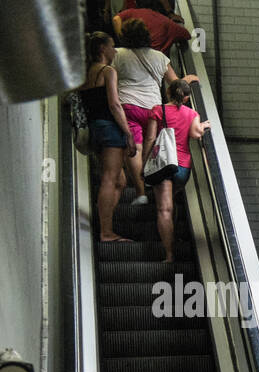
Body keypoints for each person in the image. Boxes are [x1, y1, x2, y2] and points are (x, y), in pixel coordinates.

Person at [113, 17, 197, 204]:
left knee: (134, 148)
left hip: (128, 107)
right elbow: (175, 83)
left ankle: (141, 192)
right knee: (153, 147)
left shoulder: (117, 54)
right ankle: (154, 181)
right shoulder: (160, 57)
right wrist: (188, 80)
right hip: (154, 109)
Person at [141, 79, 209, 262]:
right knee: (171, 202)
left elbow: (149, 138)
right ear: (186, 98)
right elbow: (195, 134)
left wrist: (144, 161)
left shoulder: (158, 110)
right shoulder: (192, 113)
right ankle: (173, 238)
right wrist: (203, 126)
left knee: (164, 209)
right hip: (183, 168)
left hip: (163, 164)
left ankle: (169, 254)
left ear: (168, 93)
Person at [78, 31, 137, 242]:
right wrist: (128, 133)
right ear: (102, 48)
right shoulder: (108, 71)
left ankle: (105, 223)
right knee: (110, 179)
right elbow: (114, 104)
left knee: (120, 180)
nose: (114, 50)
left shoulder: (85, 73)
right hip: (110, 129)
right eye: (112, 46)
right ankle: (106, 232)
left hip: (96, 129)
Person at [113, 0, 191, 53]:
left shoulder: (132, 13)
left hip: (131, 52)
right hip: (154, 59)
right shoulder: (165, 21)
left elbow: (116, 19)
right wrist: (170, 13)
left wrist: (122, 38)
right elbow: (186, 34)